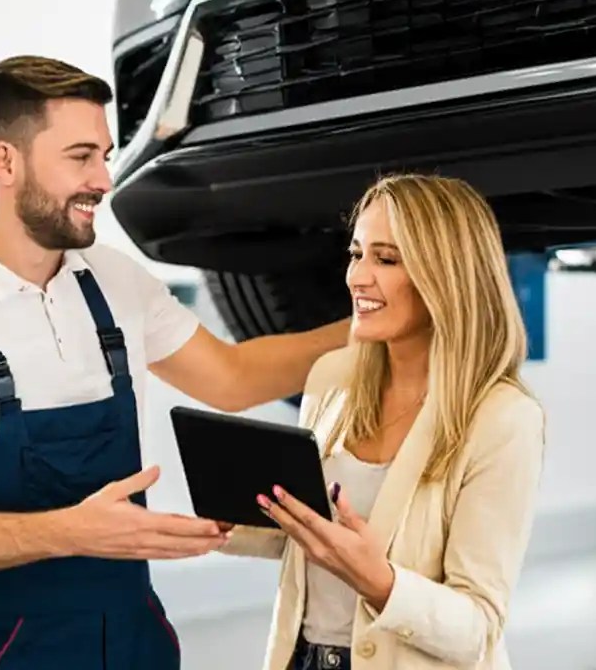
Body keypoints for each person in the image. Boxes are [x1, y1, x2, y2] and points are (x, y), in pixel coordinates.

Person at [0, 54, 350, 670]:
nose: (104, 181)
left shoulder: (112, 280)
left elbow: (233, 378)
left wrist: (368, 328)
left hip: (130, 641)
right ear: (5, 162)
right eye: (81, 157)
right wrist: (71, 532)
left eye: (105, 156)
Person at [221, 173, 546, 670]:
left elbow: (479, 628)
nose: (357, 277)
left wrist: (380, 581)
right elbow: (319, 536)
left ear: (447, 277)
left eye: (386, 259)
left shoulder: (503, 419)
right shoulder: (333, 378)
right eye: (356, 254)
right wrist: (230, 521)